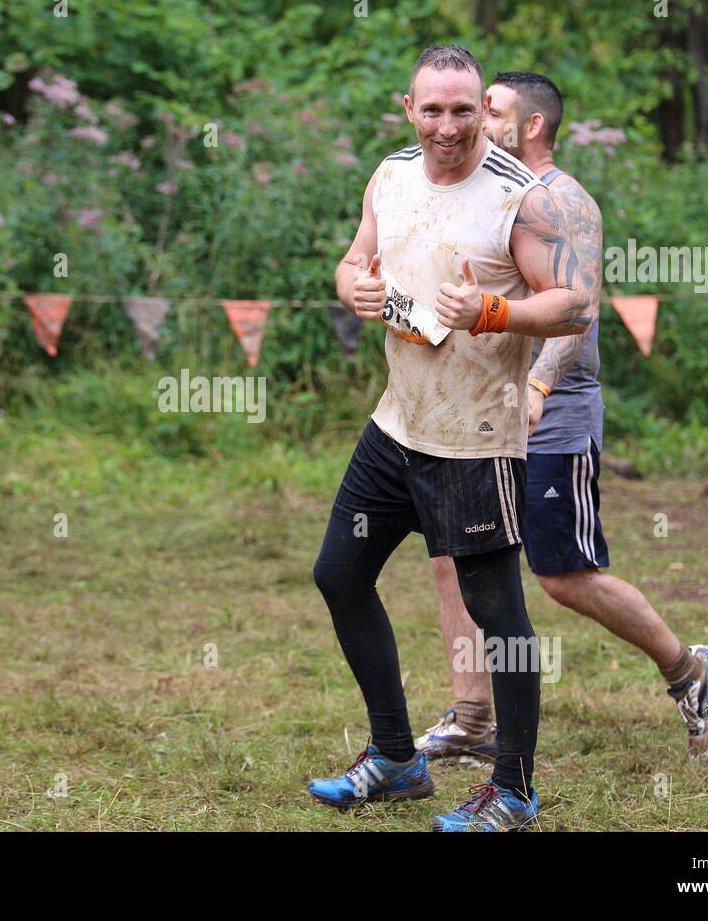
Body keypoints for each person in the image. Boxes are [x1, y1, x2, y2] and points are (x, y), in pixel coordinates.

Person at [306, 45, 595, 831]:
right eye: (431, 110)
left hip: (474, 434)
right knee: (338, 574)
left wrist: (493, 313)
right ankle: (397, 761)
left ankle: (514, 790)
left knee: (496, 613)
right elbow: (352, 258)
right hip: (397, 423)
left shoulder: (521, 198)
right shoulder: (390, 173)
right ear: (409, 108)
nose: (447, 126)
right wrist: (353, 286)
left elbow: (573, 305)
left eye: (463, 110)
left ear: (483, 110)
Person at [416, 71, 708, 768]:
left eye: (489, 110)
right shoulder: (484, 196)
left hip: (552, 408)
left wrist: (535, 384)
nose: (473, 121)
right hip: (480, 409)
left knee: (563, 575)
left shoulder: (563, 200)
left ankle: (690, 669)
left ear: (530, 125)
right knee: (454, 558)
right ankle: (471, 716)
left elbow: (574, 306)